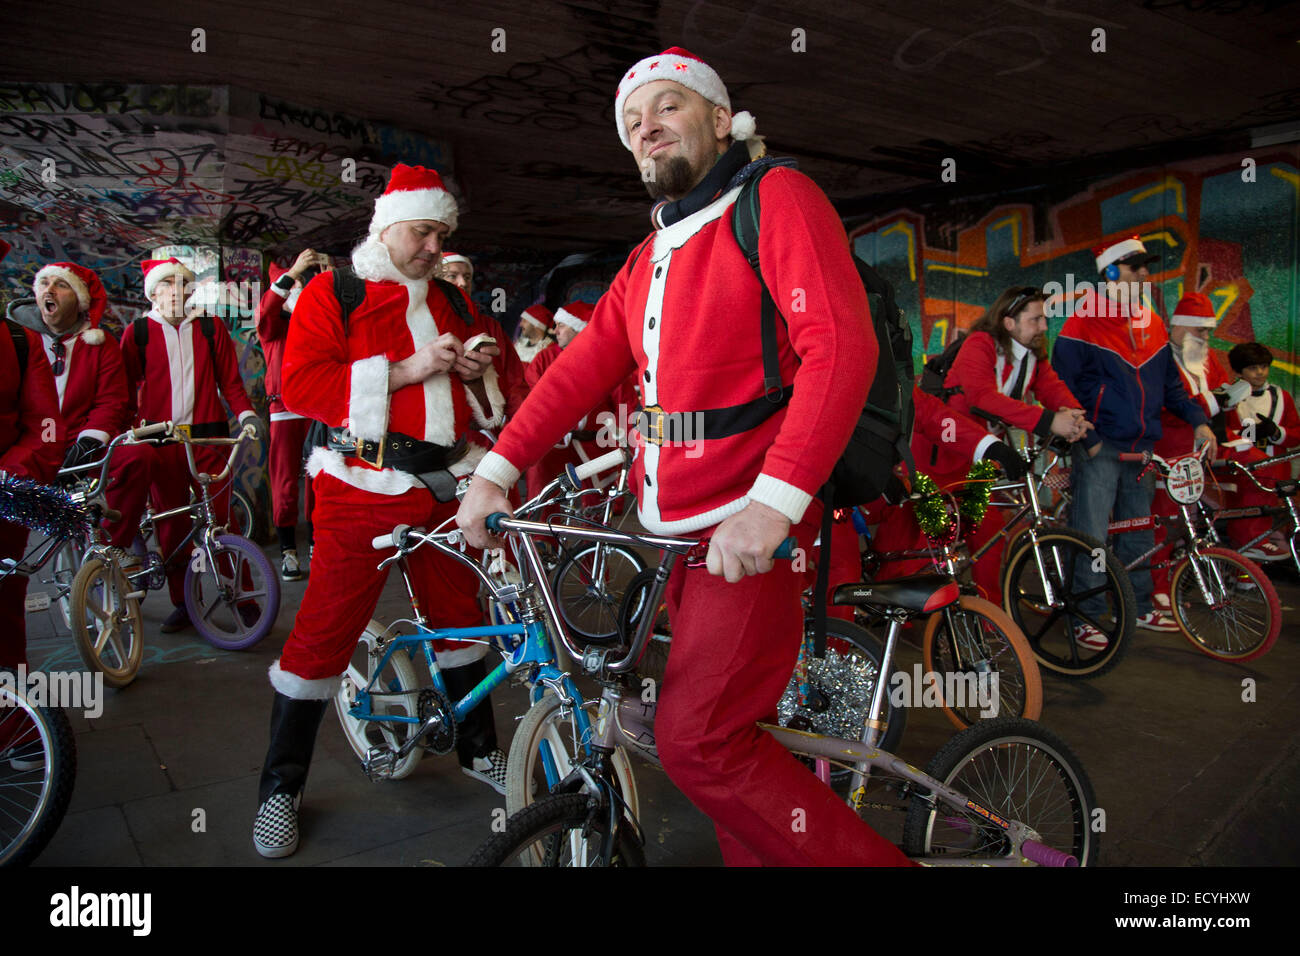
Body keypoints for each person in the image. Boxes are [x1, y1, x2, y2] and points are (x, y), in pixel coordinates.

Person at [458, 47, 913, 866]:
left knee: (699, 743)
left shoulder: (777, 197)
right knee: (731, 747)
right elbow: (574, 377)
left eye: (666, 107)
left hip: (749, 533)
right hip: (676, 538)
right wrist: (495, 471)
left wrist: (773, 505)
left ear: (716, 117)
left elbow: (840, 348)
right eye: (633, 124)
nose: (647, 128)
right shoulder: (650, 254)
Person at [252, 164, 527, 859]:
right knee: (320, 637)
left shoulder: (453, 301)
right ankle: (279, 791)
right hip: (357, 487)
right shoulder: (332, 292)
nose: (434, 246)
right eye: (423, 231)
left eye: (443, 233)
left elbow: (491, 403)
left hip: (443, 485)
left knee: (461, 620)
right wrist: (407, 369)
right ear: (386, 226)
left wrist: (477, 373)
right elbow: (304, 386)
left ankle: (477, 751)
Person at [1052, 236, 1216, 645]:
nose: (1144, 274)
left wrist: (1199, 420)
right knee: (1091, 533)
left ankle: (1139, 607)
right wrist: (1080, 436)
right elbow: (1059, 387)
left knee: (1137, 530)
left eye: (1145, 267)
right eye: (1134, 267)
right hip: (1100, 445)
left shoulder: (1153, 321)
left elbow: (1172, 388)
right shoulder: (1082, 322)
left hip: (1143, 448)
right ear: (1109, 272)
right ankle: (1084, 616)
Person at [103, 257, 262, 633]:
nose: (176, 291)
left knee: (224, 521)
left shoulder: (210, 328)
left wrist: (247, 416)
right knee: (172, 525)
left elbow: (232, 384)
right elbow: (125, 396)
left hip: (208, 438)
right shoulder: (138, 333)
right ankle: (186, 601)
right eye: (167, 284)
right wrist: (126, 434)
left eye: (182, 283)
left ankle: (244, 595)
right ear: (153, 292)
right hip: (161, 442)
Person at [10, 262, 129, 473]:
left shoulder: (101, 345)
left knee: (137, 458)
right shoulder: (15, 336)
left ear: (80, 300)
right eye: (44, 283)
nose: (49, 289)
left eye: (61, 284)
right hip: (24, 440)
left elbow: (111, 401)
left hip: (77, 438)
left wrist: (88, 442)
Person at [1, 283, 65, 672]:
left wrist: (9, 476)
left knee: (5, 608)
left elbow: (45, 427)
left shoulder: (20, 343)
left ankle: (13, 715)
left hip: (5, 496)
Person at [257, 249, 329, 580]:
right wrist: (295, 270)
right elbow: (267, 308)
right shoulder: (273, 327)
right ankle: (288, 549)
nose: (298, 288)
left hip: (316, 408)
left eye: (302, 282)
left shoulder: (315, 321)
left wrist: (327, 275)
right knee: (285, 480)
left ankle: (316, 542)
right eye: (293, 283)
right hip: (283, 409)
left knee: (317, 476)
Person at [523, 300, 637, 499]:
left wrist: (628, 445)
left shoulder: (606, 361)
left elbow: (624, 404)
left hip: (595, 448)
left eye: (562, 325)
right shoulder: (544, 359)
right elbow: (531, 401)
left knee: (594, 508)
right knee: (544, 503)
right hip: (552, 448)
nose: (555, 330)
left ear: (578, 328)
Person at [1227, 340, 1300, 558]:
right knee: (1243, 525)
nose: (1260, 372)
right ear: (1239, 370)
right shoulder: (1228, 397)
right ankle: (1243, 578)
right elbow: (1223, 435)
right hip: (1242, 475)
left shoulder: (1282, 396)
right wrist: (1248, 435)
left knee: (1274, 527)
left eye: (1264, 366)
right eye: (1252, 367)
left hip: (1275, 474)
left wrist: (1277, 433)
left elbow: (1296, 434)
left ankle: (1260, 581)